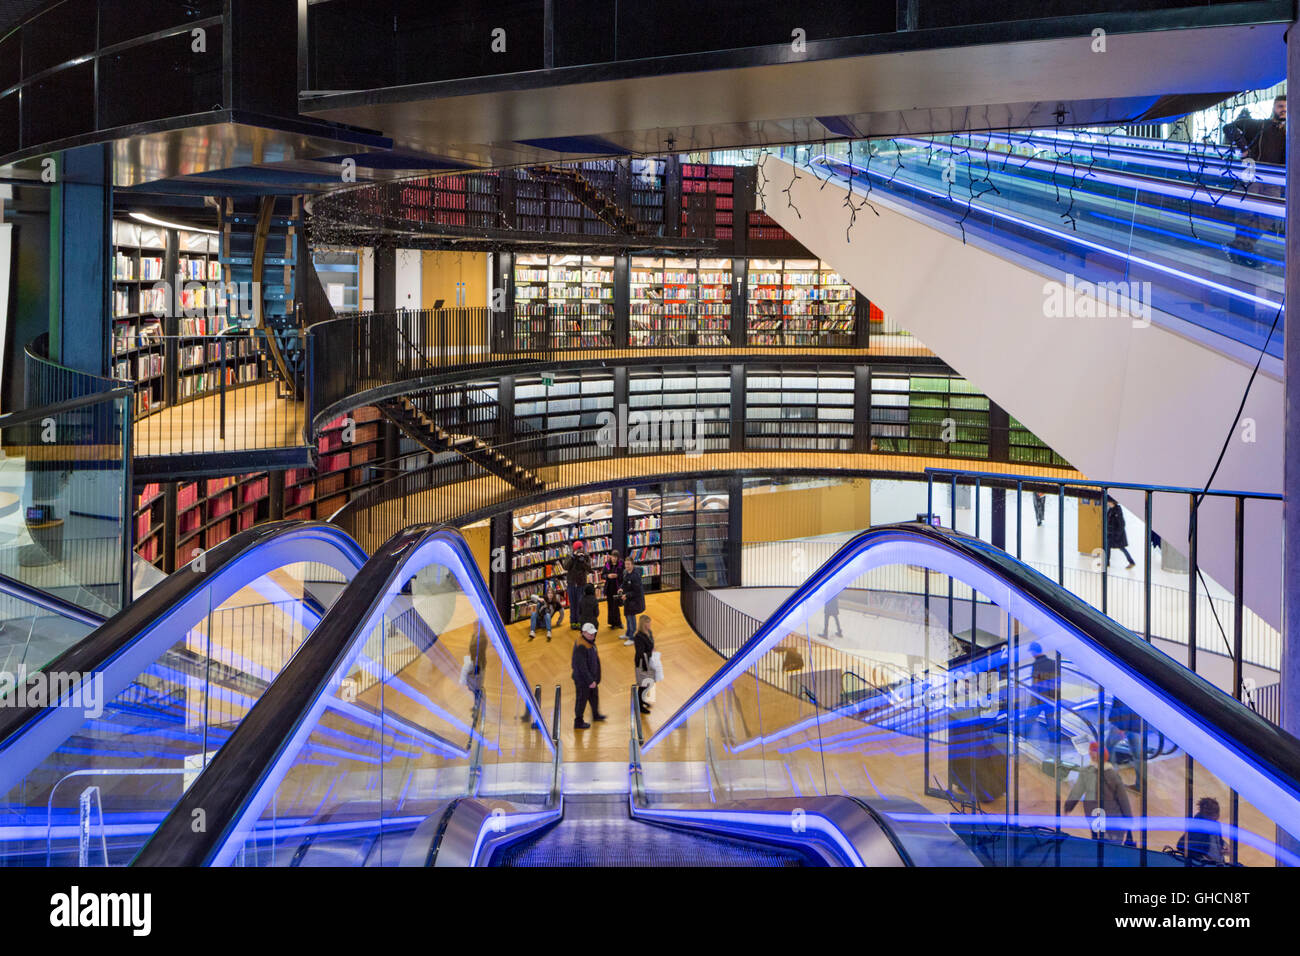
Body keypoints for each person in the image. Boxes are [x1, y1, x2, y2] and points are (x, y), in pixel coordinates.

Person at [1222, 96, 1285, 266]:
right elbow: (1229, 127)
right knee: (1247, 212)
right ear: (1273, 107)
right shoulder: (1259, 125)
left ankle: (1239, 247)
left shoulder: (1290, 132)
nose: (1283, 110)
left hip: (1275, 179)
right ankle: (1242, 250)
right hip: (1253, 173)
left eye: (1287, 107)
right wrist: (1243, 149)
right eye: (1280, 106)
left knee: (1269, 214)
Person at [1064, 742, 1134, 846]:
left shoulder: (1086, 772)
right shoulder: (1113, 775)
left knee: (1096, 840)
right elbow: (1123, 799)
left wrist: (1068, 806)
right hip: (1112, 818)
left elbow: (1076, 791)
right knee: (1113, 845)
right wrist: (1128, 819)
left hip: (1093, 815)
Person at [1104, 696, 1144, 791]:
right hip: (1136, 724)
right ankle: (1140, 785)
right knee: (1138, 755)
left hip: (1122, 723)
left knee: (1109, 748)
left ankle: (1112, 782)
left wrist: (1121, 727)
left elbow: (1123, 705)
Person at [571, 622, 606, 728]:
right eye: (590, 633)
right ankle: (578, 722)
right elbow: (582, 667)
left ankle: (596, 715)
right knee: (581, 700)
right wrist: (590, 681)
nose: (593, 635)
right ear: (584, 633)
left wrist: (595, 678)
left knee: (594, 697)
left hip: (592, 679)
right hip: (583, 680)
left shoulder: (590, 642)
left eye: (594, 633)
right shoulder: (581, 646)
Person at [1024, 642, 1058, 745]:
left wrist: (1032, 692)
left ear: (1034, 651)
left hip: (1038, 697)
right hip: (1051, 697)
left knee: (1028, 718)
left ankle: (1023, 737)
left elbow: (1035, 681)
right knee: (1050, 719)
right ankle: (1054, 740)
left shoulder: (1036, 664)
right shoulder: (1052, 663)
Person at [1179, 797, 1227, 865]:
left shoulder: (1216, 825)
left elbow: (1218, 843)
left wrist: (1223, 848)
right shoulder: (1197, 825)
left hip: (1217, 863)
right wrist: (1201, 858)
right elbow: (1181, 845)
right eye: (1216, 813)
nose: (1218, 816)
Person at [559, 540, 591, 630]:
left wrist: (583, 560)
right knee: (573, 604)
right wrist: (573, 558)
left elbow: (589, 569)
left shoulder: (586, 556)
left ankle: (580, 622)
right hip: (571, 583)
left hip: (581, 584)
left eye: (581, 548)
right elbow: (565, 567)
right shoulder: (570, 556)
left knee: (580, 604)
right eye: (578, 549)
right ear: (574, 549)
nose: (580, 550)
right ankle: (573, 622)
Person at [619, 554, 646, 646]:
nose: (627, 566)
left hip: (634, 601)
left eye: (628, 564)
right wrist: (621, 588)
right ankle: (628, 633)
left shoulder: (635, 576)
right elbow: (624, 583)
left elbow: (637, 591)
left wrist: (627, 595)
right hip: (628, 599)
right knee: (627, 616)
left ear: (632, 565)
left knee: (631, 618)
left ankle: (632, 637)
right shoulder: (626, 573)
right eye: (626, 564)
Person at [633, 615, 655, 714]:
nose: (649, 624)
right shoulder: (638, 637)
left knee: (648, 683)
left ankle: (642, 700)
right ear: (643, 624)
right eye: (647, 623)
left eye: (650, 622)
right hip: (643, 664)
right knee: (643, 685)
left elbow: (651, 645)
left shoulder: (649, 632)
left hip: (649, 662)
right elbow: (640, 653)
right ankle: (639, 705)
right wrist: (651, 653)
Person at [1106, 497, 1136, 569]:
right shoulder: (1110, 510)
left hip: (1117, 535)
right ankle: (1106, 563)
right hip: (1110, 533)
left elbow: (1121, 524)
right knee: (1107, 547)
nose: (1107, 503)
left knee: (1122, 548)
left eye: (1108, 502)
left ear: (1112, 502)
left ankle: (1131, 562)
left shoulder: (1117, 511)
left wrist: (1117, 535)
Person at [602, 550, 624, 629]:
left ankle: (618, 622)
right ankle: (612, 623)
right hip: (609, 588)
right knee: (610, 606)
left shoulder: (621, 565)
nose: (614, 559)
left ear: (618, 558)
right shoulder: (607, 564)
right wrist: (608, 576)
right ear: (610, 557)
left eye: (615, 557)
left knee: (616, 606)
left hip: (617, 587)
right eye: (612, 557)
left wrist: (617, 575)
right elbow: (603, 575)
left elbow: (623, 575)